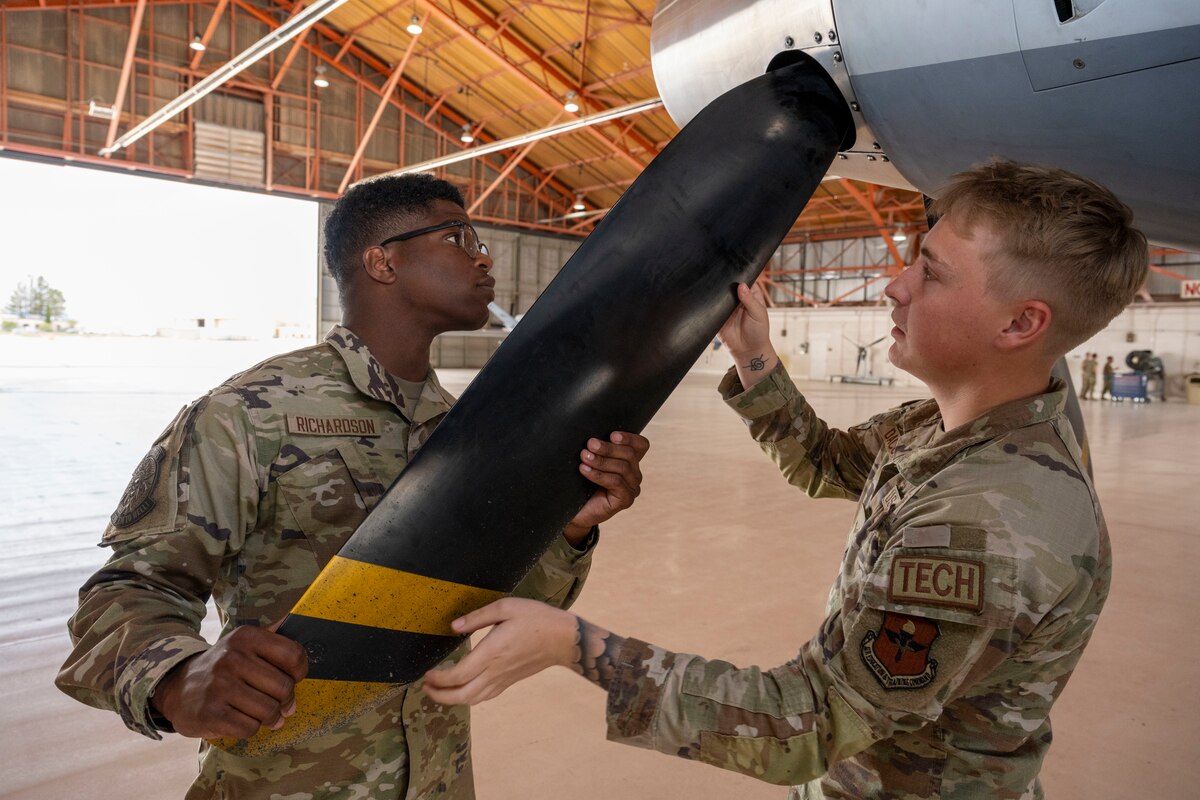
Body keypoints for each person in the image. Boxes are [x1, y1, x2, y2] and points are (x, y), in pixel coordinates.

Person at [422, 160, 1148, 798]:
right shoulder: (958, 419)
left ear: (1022, 323)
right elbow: (826, 463)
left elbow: (807, 721)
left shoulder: (989, 528)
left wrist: (576, 645)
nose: (895, 286)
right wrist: (755, 357)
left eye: (931, 272)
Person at [55, 173, 650, 799]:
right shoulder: (252, 413)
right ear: (381, 261)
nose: (483, 254)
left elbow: (495, 605)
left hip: (438, 781)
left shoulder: (464, 431)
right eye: (456, 236)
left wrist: (571, 525)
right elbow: (128, 590)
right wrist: (176, 676)